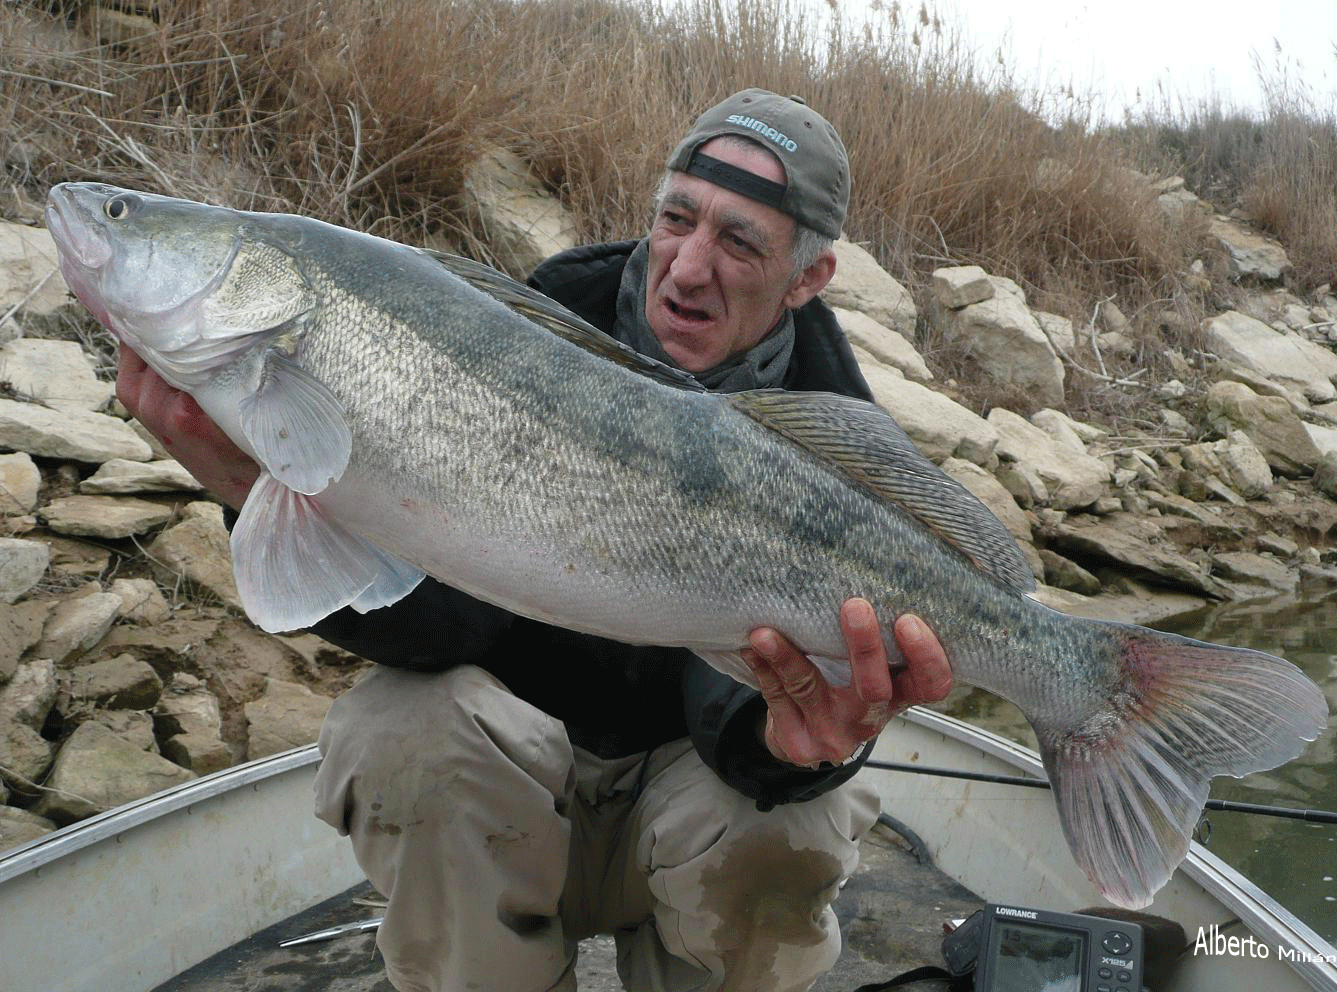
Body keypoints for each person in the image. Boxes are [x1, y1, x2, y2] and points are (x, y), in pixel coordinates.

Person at [117, 88, 954, 992]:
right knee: (398, 730)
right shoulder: (509, 332)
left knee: (801, 820)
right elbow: (440, 629)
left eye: (740, 243)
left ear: (807, 277)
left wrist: (794, 745)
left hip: (688, 818)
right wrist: (254, 485)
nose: (687, 268)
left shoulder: (839, 454)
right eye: (677, 219)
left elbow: (739, 699)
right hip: (511, 806)